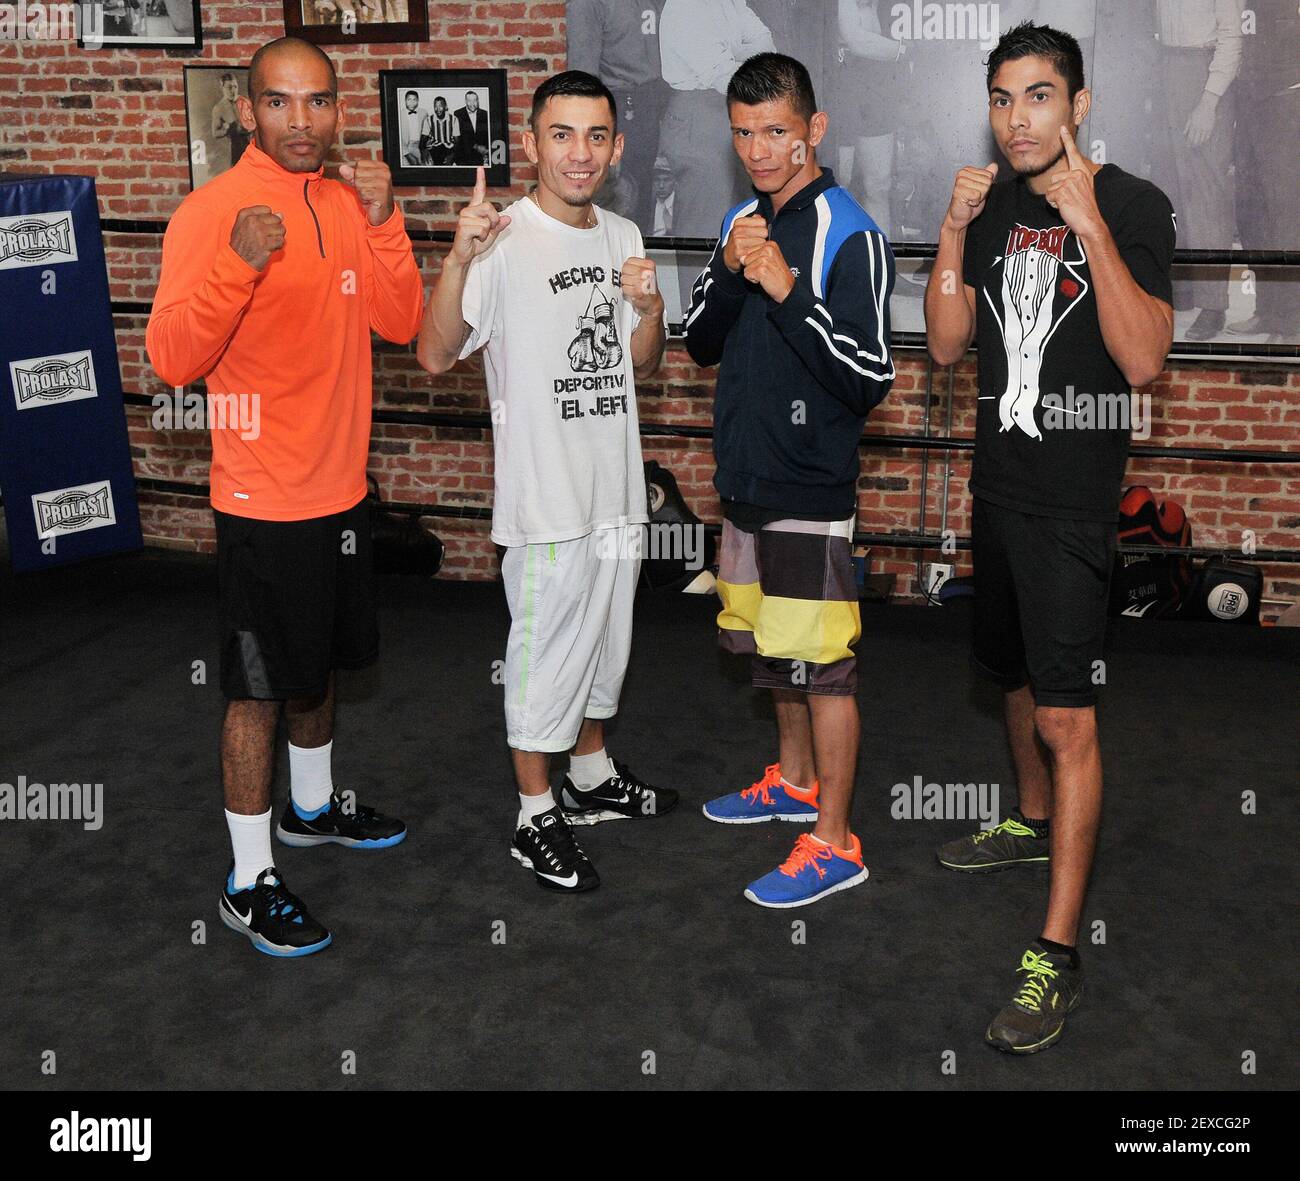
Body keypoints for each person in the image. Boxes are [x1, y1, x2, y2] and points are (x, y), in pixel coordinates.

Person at [922, 22, 1175, 1052]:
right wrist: (948, 230)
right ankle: (1027, 823)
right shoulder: (987, 210)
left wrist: (1089, 226)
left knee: (1069, 719)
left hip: (1073, 505)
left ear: (1076, 103)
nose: (1017, 118)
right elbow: (945, 347)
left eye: (1036, 97)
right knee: (1011, 672)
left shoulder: (1131, 202)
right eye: (1000, 98)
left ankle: (1056, 950)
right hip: (999, 488)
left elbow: (1146, 358)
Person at [146, 36, 424, 956]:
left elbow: (401, 321)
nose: (301, 123)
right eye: (280, 104)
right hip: (262, 497)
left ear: (338, 108)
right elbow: (171, 362)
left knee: (323, 666)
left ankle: (310, 809)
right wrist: (236, 263)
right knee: (258, 689)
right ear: (249, 111)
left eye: (317, 103)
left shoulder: (349, 201)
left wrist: (386, 222)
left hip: (342, 491)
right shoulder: (211, 211)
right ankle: (247, 876)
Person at [416, 71, 678, 893]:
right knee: (540, 666)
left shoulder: (625, 231)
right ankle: (536, 819)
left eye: (596, 136)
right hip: (545, 501)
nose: (579, 153)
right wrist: (458, 258)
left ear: (617, 146)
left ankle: (591, 779)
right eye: (561, 134)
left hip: (614, 495)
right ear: (530, 144)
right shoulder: (500, 238)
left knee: (606, 649)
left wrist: (651, 311)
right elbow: (432, 352)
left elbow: (643, 365)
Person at [687, 53, 895, 907]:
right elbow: (700, 339)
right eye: (744, 133)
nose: (760, 150)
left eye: (776, 131)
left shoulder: (854, 233)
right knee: (773, 651)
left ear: (814, 128)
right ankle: (797, 780)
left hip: (810, 485)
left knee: (823, 665)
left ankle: (836, 840)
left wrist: (785, 284)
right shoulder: (740, 216)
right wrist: (740, 278)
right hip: (745, 477)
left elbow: (866, 375)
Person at [658, 0, 775, 237]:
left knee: (743, 223)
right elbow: (723, 76)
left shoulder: (730, 2)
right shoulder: (686, 6)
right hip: (698, 114)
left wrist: (733, 55)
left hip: (736, 112)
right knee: (705, 228)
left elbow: (768, 46)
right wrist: (743, 54)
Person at [566, 0, 667, 228]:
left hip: (657, 106)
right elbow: (582, 81)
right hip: (617, 109)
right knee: (617, 205)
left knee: (646, 209)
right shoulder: (589, 4)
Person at [210, 73, 251, 171]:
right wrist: (227, 129)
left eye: (235, 87)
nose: (233, 91)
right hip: (234, 150)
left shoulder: (245, 102)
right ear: (222, 87)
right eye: (229, 87)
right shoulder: (219, 108)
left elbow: (255, 123)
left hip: (252, 148)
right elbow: (215, 133)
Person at [453, 90, 490, 165]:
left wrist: (487, 151)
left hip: (482, 155)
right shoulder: (458, 114)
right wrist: (476, 147)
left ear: (478, 101)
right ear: (465, 101)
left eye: (475, 100)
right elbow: (461, 137)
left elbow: (487, 134)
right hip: (464, 155)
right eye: (469, 101)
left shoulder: (485, 114)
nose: (472, 103)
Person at [398, 89, 428, 166]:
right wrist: (406, 154)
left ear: (418, 101)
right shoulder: (399, 114)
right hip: (405, 147)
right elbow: (397, 137)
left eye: (414, 100)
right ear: (405, 101)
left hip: (419, 146)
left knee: (424, 167)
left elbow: (427, 131)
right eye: (409, 99)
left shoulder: (423, 113)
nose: (412, 102)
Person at [424, 95, 456, 166]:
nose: (438, 109)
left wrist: (452, 156)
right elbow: (423, 139)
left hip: (449, 148)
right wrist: (425, 152)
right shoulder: (429, 120)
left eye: (440, 106)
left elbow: (458, 142)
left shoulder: (454, 119)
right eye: (435, 106)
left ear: (445, 106)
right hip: (434, 149)